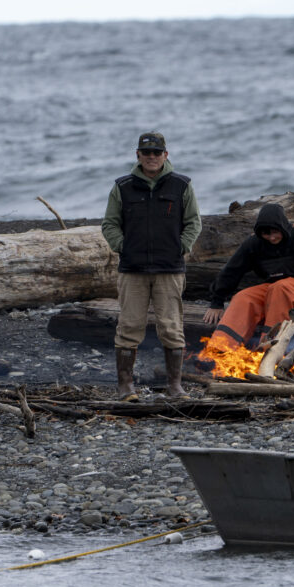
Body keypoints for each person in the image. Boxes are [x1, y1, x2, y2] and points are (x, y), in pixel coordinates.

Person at [101, 132, 201, 400]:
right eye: (147, 153)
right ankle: (125, 386)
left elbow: (193, 222)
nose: (152, 157)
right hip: (133, 270)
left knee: (171, 326)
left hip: (169, 269)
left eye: (157, 153)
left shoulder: (182, 185)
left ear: (166, 155)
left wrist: (181, 247)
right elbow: (109, 224)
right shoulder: (122, 186)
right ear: (138, 156)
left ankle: (175, 386)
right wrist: (123, 246)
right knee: (129, 326)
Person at [201, 202, 294, 350]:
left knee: (280, 289)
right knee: (243, 297)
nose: (272, 238)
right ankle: (219, 350)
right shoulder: (254, 244)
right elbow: (232, 270)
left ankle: (267, 351)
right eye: (266, 234)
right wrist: (217, 301)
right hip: (278, 293)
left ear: (283, 227)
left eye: (276, 232)